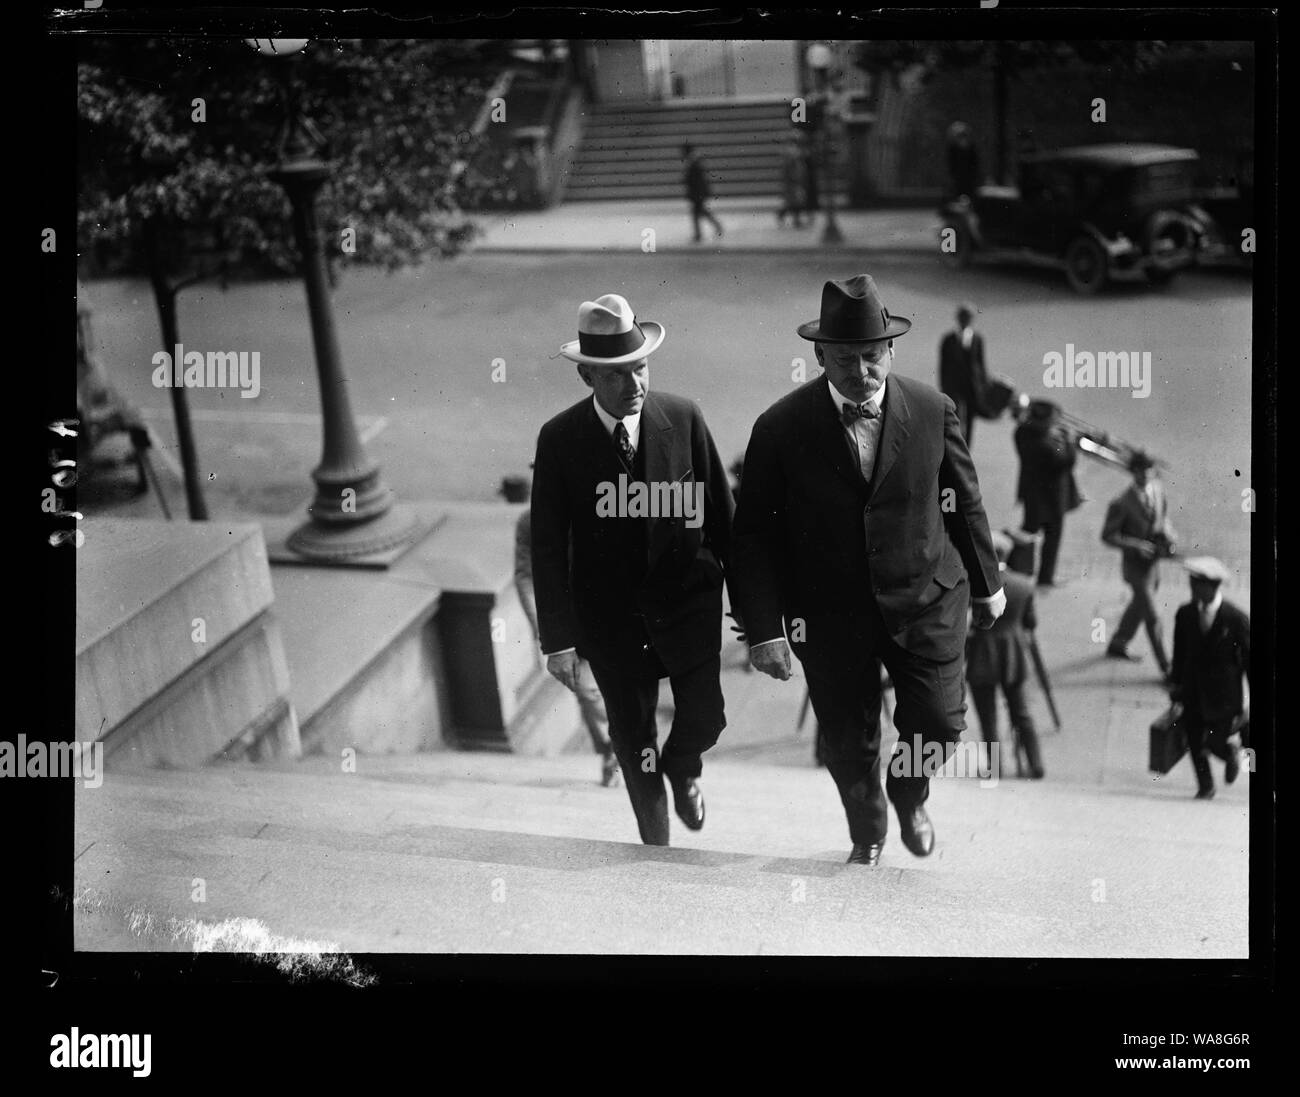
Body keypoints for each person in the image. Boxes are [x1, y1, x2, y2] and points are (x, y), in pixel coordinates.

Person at [731, 274, 1004, 866]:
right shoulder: (779, 429)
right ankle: (870, 830)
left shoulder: (933, 412)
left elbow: (965, 500)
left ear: (892, 351)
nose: (861, 371)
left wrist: (988, 586)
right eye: (846, 359)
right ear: (820, 357)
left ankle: (909, 795)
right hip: (829, 616)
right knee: (848, 742)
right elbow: (751, 537)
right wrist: (765, 630)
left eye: (872, 355)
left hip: (926, 597)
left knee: (940, 724)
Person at [530, 293, 735, 846]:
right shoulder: (559, 439)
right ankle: (656, 845)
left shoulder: (684, 417)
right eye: (617, 375)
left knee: (706, 716)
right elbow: (547, 546)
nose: (635, 384)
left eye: (640, 367)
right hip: (612, 622)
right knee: (633, 736)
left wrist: (756, 614)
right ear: (589, 379)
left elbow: (723, 517)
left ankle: (685, 768)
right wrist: (559, 640)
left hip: (688, 605)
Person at [506, 472, 621, 788]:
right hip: (566, 626)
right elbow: (525, 577)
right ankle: (615, 747)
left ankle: (620, 744)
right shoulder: (529, 523)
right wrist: (543, 628)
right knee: (587, 691)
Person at [1167, 557, 1249, 800]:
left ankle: (1231, 753)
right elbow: (1179, 653)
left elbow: (1249, 659)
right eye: (1191, 584)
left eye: (1197, 586)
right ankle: (1205, 786)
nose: (1192, 590)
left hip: (1224, 694)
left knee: (1214, 740)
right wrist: (1175, 685)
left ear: (1212, 587)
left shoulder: (1235, 619)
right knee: (1193, 737)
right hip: (1192, 689)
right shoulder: (1185, 614)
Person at [966, 532, 1045, 779]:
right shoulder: (1023, 584)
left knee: (988, 716)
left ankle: (995, 766)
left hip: (982, 654)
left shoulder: (974, 583)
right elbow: (1031, 622)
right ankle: (1035, 763)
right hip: (1013, 654)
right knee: (1021, 711)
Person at [1101, 451, 1174, 676]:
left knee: (1139, 606)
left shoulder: (1158, 491)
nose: (1144, 475)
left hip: (1153, 565)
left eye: (1148, 471)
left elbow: (1164, 520)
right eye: (1139, 471)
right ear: (1132, 472)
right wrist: (1136, 545)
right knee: (1152, 615)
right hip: (1135, 568)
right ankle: (1167, 667)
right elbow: (1108, 536)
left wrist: (1170, 536)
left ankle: (1118, 643)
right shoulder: (1121, 502)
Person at [1014, 398, 1082, 587]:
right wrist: (1069, 442)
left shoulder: (1022, 433)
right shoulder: (1044, 444)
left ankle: (1019, 571)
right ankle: (1044, 577)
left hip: (1032, 494)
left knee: (1029, 532)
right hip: (1052, 498)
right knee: (1051, 537)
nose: (1056, 423)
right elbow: (1065, 460)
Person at [937, 302, 988, 447]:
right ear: (958, 319)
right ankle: (957, 445)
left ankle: (967, 447)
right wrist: (944, 386)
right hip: (954, 385)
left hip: (972, 386)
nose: (965, 320)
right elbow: (943, 365)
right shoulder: (948, 339)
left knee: (971, 418)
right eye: (963, 317)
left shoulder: (977, 339)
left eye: (968, 317)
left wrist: (983, 386)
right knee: (956, 416)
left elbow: (981, 364)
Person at [682, 142, 723, 243]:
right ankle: (715, 227)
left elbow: (697, 179)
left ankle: (699, 235)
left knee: (698, 212)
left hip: (697, 192)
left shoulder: (694, 162)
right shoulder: (694, 161)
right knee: (700, 212)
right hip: (697, 192)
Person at [776, 134, 809, 228]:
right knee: (794, 201)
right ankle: (792, 219)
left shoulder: (794, 152)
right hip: (792, 181)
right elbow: (788, 169)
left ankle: (794, 219)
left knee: (795, 201)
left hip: (796, 180)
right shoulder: (790, 153)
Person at [946, 121, 981, 202]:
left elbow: (975, 164)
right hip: (959, 178)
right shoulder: (953, 149)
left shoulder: (971, 149)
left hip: (968, 179)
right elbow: (952, 165)